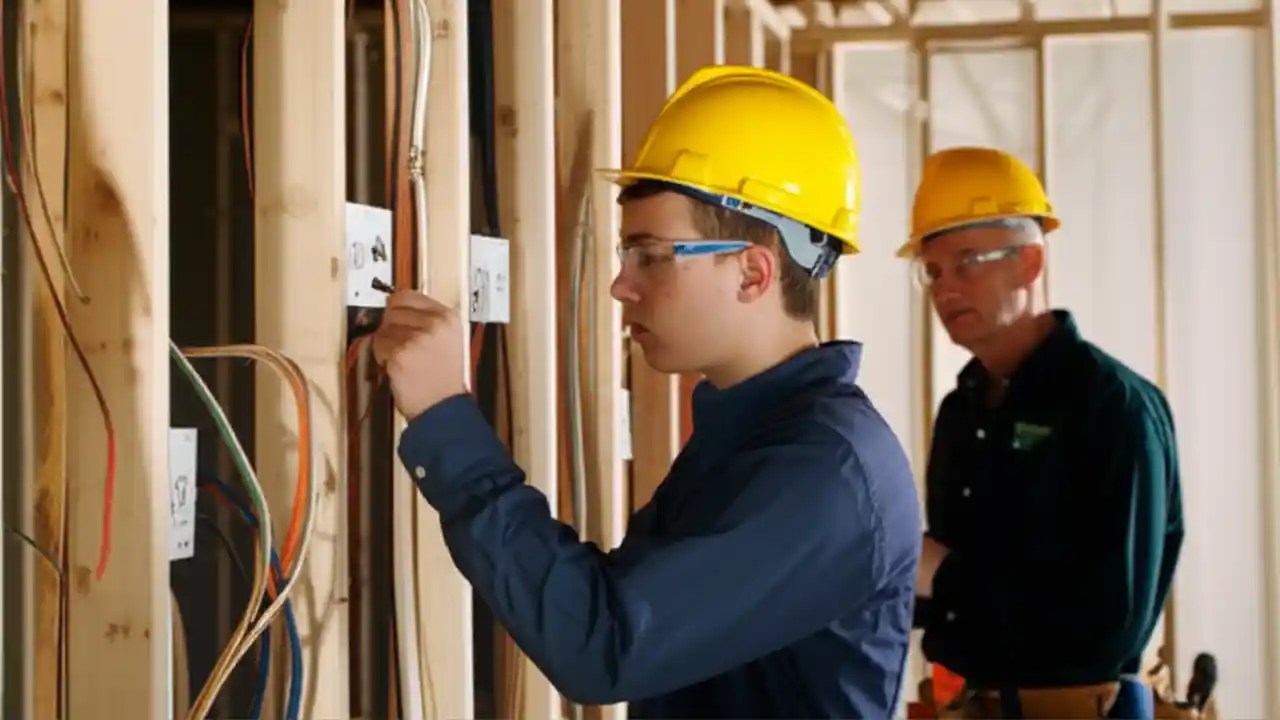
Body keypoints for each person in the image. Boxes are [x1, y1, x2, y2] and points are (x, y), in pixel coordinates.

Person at [371, 65, 922, 716]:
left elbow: (605, 644)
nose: (620, 285)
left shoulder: (824, 472)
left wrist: (446, 421)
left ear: (752, 273)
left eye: (652, 256)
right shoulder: (758, 433)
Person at [902, 146, 1185, 719]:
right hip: (971, 702)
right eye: (932, 272)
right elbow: (952, 590)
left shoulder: (1113, 407)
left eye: (967, 262)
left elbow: (1107, 621)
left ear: (1031, 262)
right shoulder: (963, 410)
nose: (945, 288)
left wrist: (942, 573)